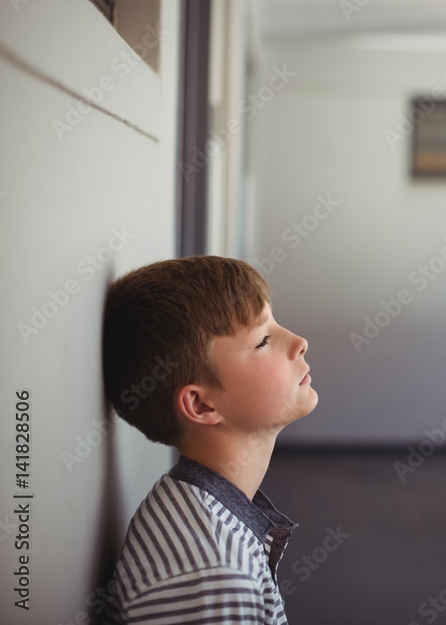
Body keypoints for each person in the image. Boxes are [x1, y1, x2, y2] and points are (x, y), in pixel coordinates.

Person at [100, 255, 318, 624]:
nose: (300, 342)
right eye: (263, 340)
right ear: (200, 405)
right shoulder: (215, 576)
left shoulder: (195, 507)